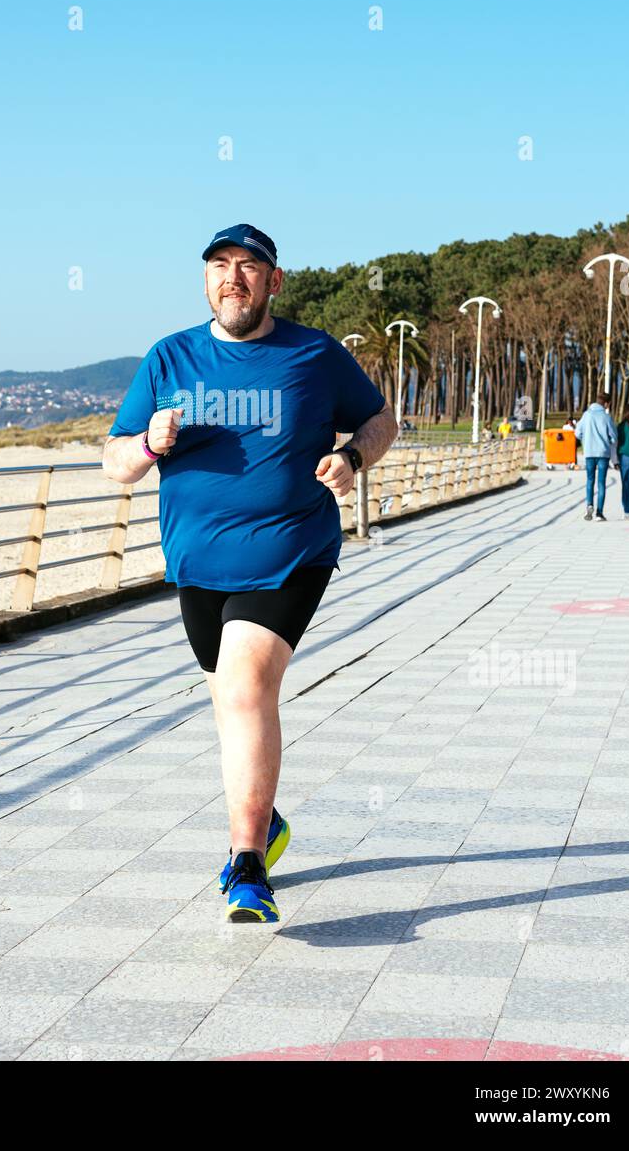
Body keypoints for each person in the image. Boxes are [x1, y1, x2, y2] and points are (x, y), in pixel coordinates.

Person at [101, 224, 398, 922]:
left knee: (241, 691)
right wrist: (148, 443)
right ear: (206, 280)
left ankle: (245, 866)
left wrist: (352, 459)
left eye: (247, 267)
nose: (232, 278)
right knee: (231, 705)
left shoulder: (313, 354)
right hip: (197, 563)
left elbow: (382, 420)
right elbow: (114, 464)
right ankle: (264, 821)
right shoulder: (169, 356)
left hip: (290, 550)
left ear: (273, 281)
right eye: (219, 266)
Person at [575, 391, 618, 522]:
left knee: (590, 481)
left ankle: (589, 505)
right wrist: (608, 442)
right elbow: (614, 437)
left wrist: (585, 441)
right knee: (601, 483)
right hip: (603, 454)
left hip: (589, 453)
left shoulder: (586, 415)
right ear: (606, 403)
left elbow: (577, 433)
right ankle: (599, 513)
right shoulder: (606, 417)